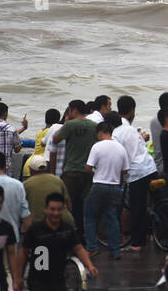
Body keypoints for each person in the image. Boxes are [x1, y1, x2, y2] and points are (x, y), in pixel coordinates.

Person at [22, 191, 97, 291]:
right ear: (46, 209)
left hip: (58, 280)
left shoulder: (67, 229)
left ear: (63, 210)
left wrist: (90, 265)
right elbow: (23, 253)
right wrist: (18, 277)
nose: (55, 213)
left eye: (59, 210)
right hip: (38, 281)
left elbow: (78, 248)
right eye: (52, 209)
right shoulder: (35, 229)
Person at [112, 96, 158, 250]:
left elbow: (119, 156)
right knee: (156, 202)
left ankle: (138, 244)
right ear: (132, 109)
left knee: (137, 208)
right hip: (150, 167)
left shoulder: (115, 135)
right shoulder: (131, 129)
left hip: (137, 173)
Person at [49, 100, 99, 237]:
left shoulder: (70, 125)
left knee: (68, 206)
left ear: (74, 110)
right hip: (88, 172)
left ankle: (68, 235)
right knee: (83, 206)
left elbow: (55, 139)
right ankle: (83, 236)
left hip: (70, 171)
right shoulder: (95, 126)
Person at [84, 118, 129, 258]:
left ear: (100, 133)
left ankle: (92, 247)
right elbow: (125, 170)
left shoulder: (97, 146)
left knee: (89, 215)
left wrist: (96, 172)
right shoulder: (121, 148)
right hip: (115, 187)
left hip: (99, 185)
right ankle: (115, 251)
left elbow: (88, 168)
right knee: (112, 217)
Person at [23, 156, 73, 227]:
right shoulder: (57, 180)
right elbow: (69, 205)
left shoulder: (26, 184)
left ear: (30, 169)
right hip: (64, 221)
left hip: (38, 225)